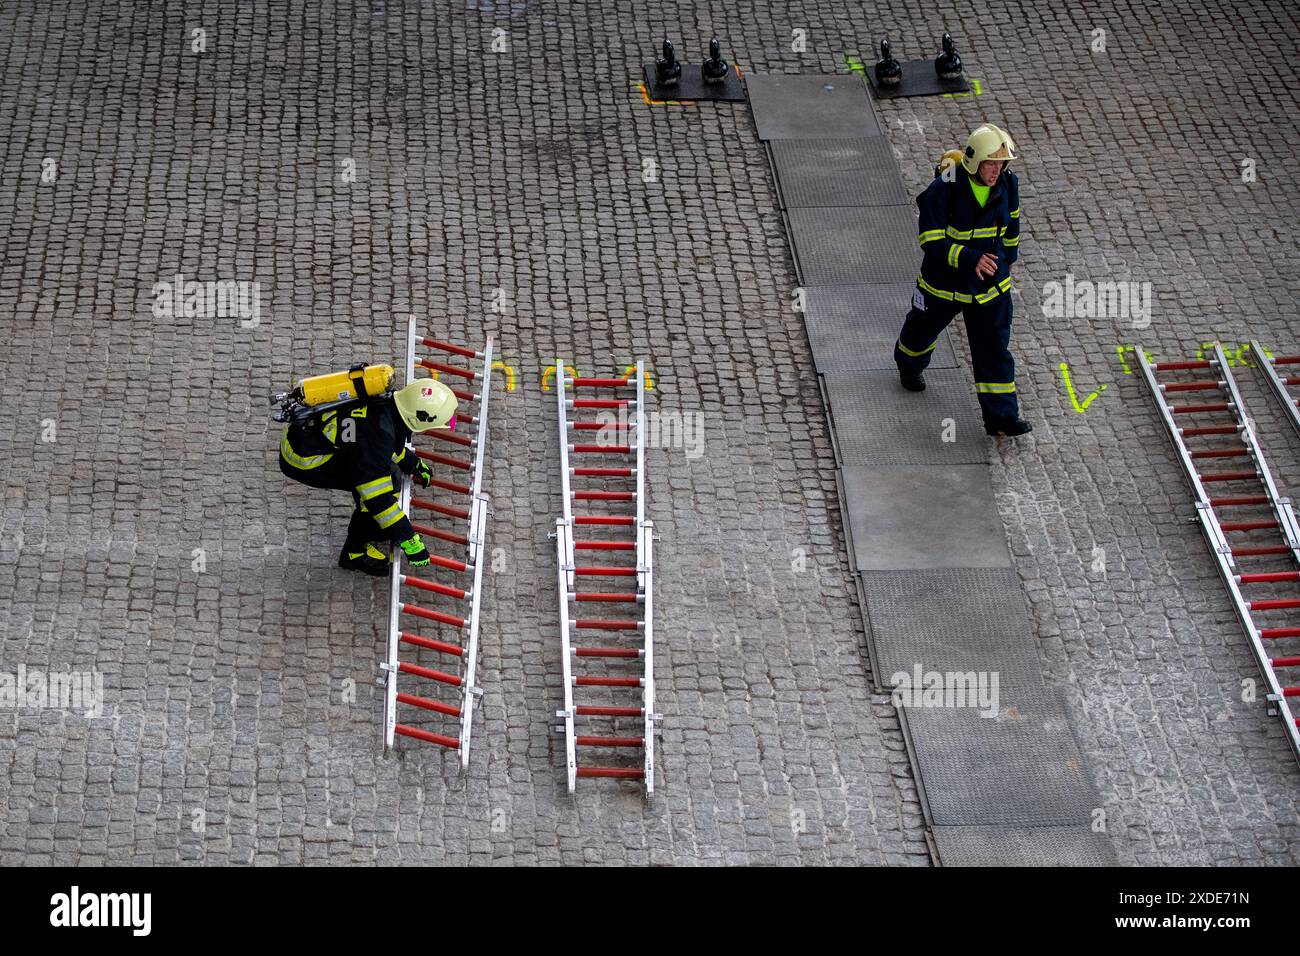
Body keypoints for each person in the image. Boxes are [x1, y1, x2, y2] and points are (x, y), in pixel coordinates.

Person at [893, 123, 1031, 437]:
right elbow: (930, 239)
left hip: (989, 288)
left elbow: (1010, 233)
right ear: (973, 161)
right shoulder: (945, 186)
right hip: (944, 284)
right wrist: (971, 259)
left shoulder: (1009, 184)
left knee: (994, 350)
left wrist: (1004, 266)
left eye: (1001, 163)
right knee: (920, 332)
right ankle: (908, 365)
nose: (996, 170)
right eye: (990, 163)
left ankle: (1002, 418)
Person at [279, 378, 458, 575]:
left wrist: (409, 461)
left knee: (385, 472)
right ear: (417, 419)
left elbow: (372, 440)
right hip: (305, 461)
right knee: (381, 495)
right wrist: (409, 539)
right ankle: (354, 553)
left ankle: (359, 544)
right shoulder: (378, 438)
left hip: (308, 438)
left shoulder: (386, 402)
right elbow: (379, 500)